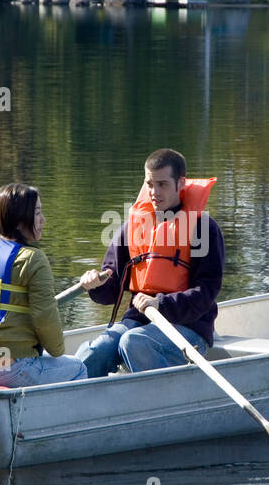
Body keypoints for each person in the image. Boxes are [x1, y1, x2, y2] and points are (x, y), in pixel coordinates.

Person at [75, 149, 225, 376]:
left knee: (134, 343)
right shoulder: (132, 227)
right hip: (138, 321)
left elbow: (206, 292)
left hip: (189, 326)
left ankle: (160, 400)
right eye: (149, 184)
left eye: (162, 184)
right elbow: (111, 289)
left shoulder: (203, 228)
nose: (154, 192)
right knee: (97, 351)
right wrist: (96, 284)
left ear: (180, 183)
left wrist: (161, 304)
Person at [0, 184, 88, 387]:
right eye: (38, 213)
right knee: (78, 368)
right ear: (18, 220)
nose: (43, 220)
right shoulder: (33, 259)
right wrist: (57, 351)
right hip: (11, 368)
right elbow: (45, 319)